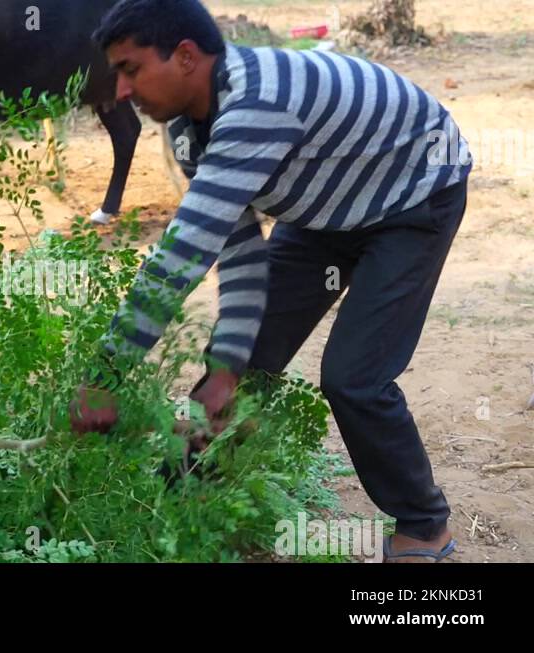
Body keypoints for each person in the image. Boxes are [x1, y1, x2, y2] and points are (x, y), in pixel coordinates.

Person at [68, 0, 470, 563]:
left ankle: (425, 526)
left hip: (412, 193)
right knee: (242, 356)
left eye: (131, 69)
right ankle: (196, 506)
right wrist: (229, 366)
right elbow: (237, 250)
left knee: (354, 377)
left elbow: (180, 258)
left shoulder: (257, 105)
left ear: (185, 56)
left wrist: (104, 374)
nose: (124, 90)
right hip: (324, 207)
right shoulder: (188, 129)